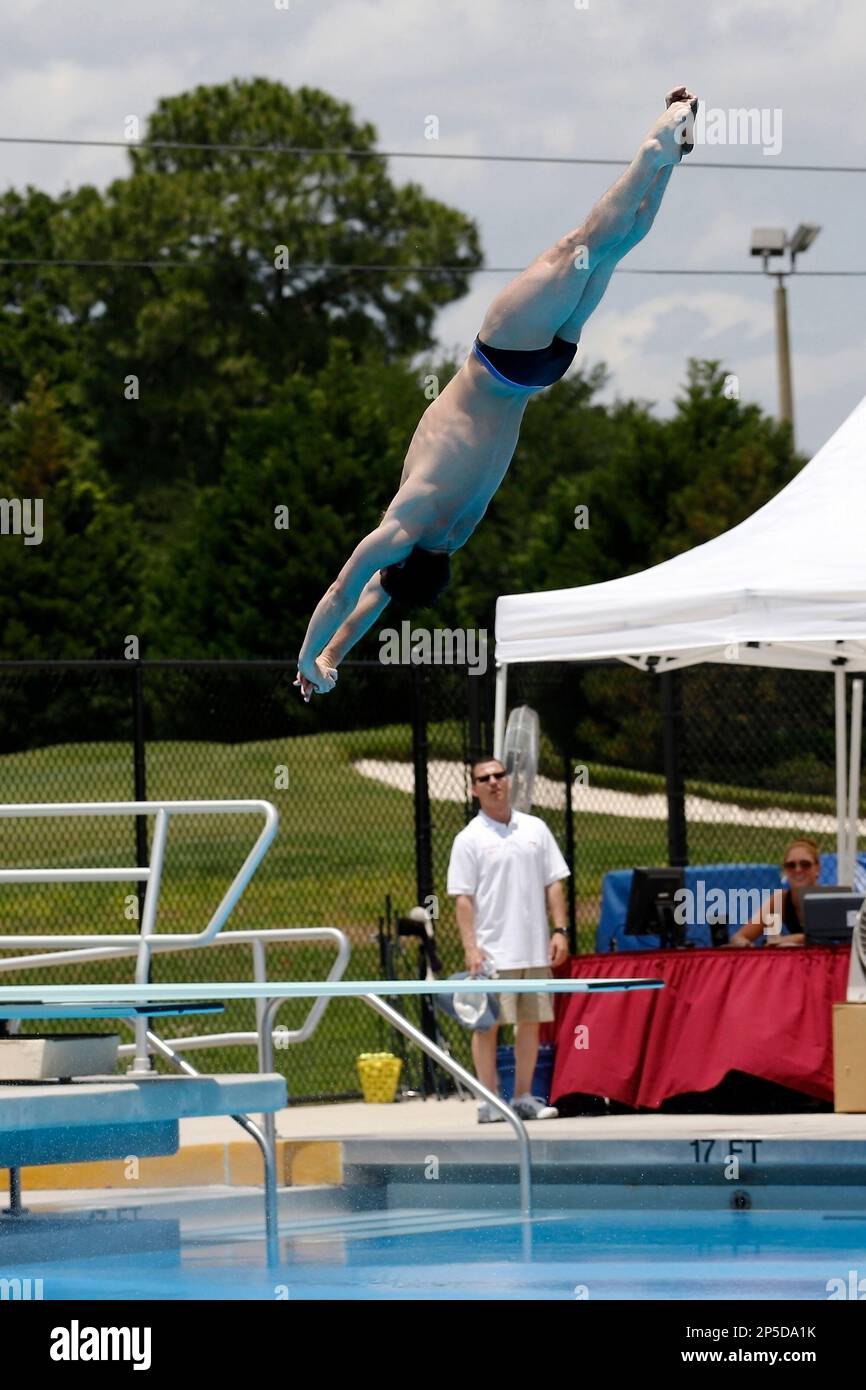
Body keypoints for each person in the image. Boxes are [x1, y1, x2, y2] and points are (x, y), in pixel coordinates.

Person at [295, 87, 698, 700]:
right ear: (396, 560)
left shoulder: (447, 532)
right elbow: (345, 592)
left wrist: (333, 656)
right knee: (580, 246)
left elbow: (379, 596)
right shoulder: (406, 518)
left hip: (541, 372)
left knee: (611, 252)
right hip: (497, 360)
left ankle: (668, 162)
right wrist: (306, 659)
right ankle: (655, 147)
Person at [446, 755, 571, 1122]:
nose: (494, 782)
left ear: (509, 781)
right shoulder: (469, 838)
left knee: (530, 1023)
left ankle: (523, 1097)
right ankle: (488, 1102)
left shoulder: (535, 829)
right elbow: (463, 899)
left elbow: (554, 883)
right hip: (492, 954)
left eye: (499, 775)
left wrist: (560, 930)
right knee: (488, 1026)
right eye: (485, 778)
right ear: (474, 789)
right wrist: (471, 947)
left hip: (533, 949)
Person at [727, 837, 822, 947]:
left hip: (826, 959)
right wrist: (745, 944)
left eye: (805, 864)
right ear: (785, 870)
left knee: (787, 945)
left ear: (817, 868)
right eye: (791, 865)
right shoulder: (780, 900)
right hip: (797, 960)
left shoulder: (829, 899)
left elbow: (824, 940)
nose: (798, 869)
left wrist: (793, 939)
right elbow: (739, 936)